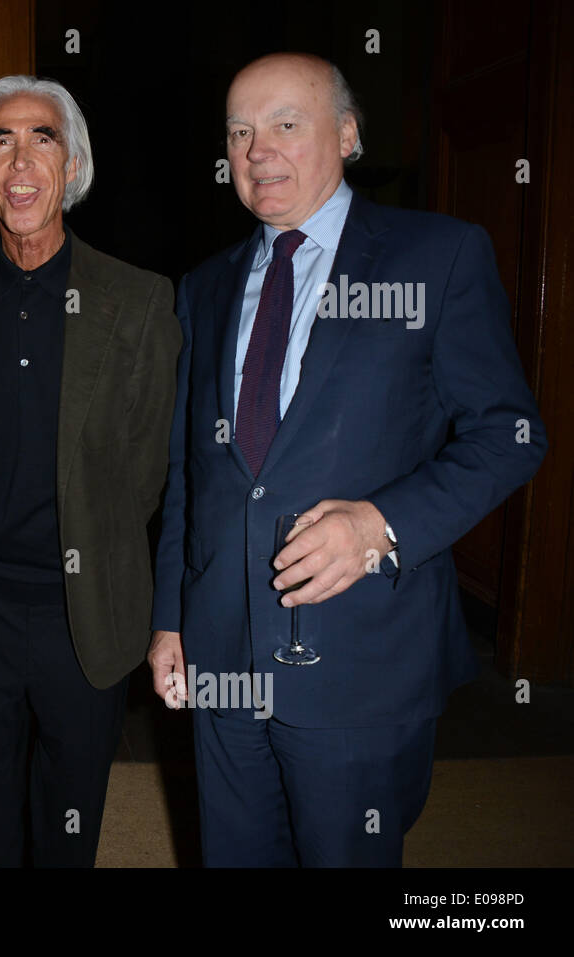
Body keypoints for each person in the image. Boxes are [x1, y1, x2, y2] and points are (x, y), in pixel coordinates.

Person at [147, 53, 548, 866]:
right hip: (223, 657)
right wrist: (170, 619)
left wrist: (380, 522)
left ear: (349, 133)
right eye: (240, 130)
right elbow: (192, 474)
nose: (259, 150)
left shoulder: (437, 257)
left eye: (287, 123)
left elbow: (510, 433)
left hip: (363, 659)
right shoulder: (205, 286)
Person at [0, 76, 181, 867]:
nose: (21, 159)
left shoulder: (136, 301)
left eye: (43, 138)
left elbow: (145, 470)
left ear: (72, 166)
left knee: (69, 827)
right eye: (1, 140)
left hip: (85, 614)